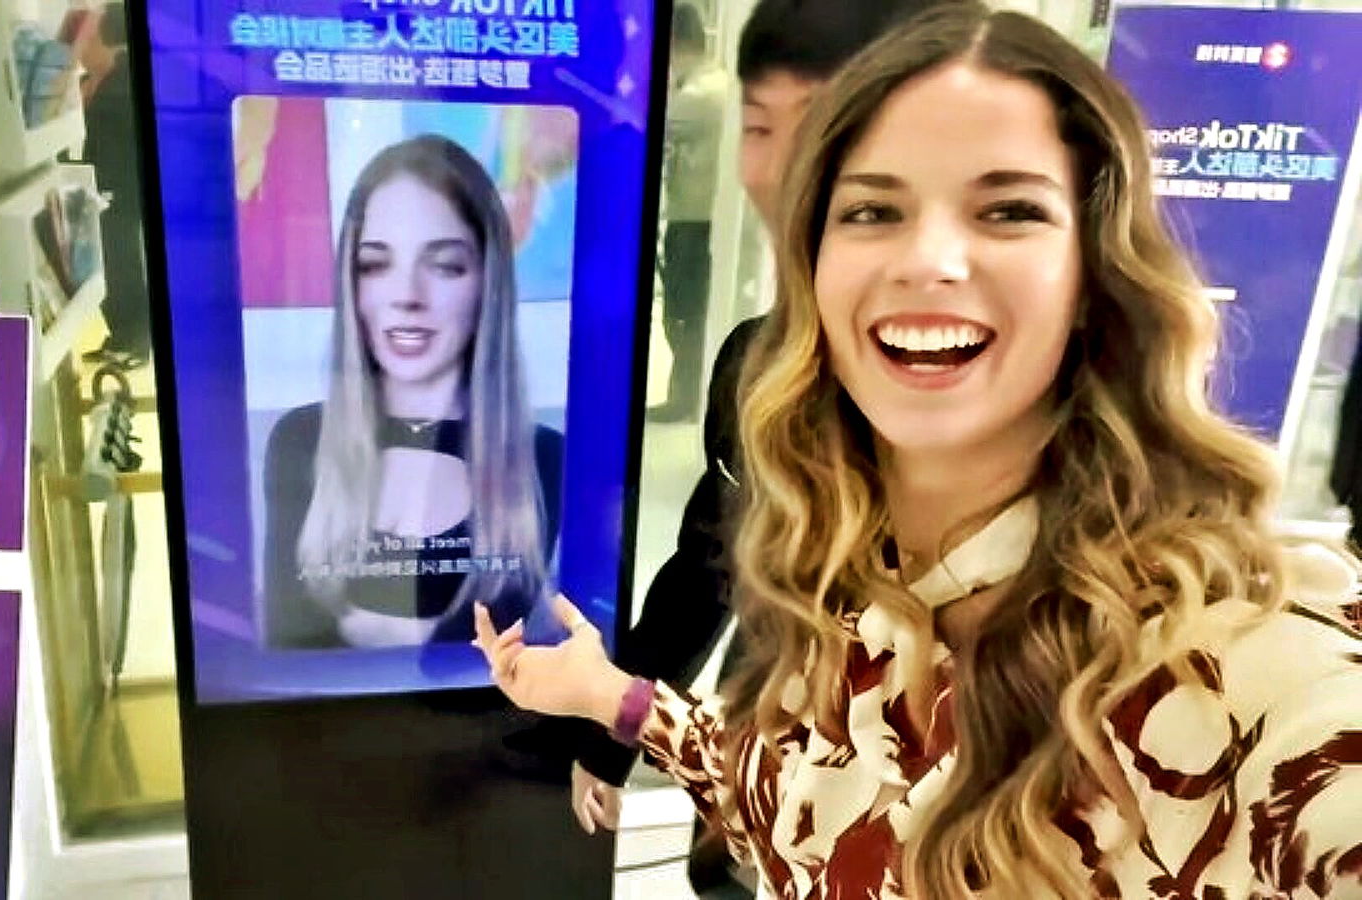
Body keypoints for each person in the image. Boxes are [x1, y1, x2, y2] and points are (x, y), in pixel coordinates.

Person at [478, 4, 1362, 897]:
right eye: (874, 209)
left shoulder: (1240, 663)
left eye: (1009, 210)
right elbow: (794, 800)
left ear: (1098, 273)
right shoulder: (856, 607)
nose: (931, 258)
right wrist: (612, 699)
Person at [567, 1, 958, 895]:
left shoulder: (1023, 406)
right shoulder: (758, 361)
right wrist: (613, 736)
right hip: (762, 758)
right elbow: (710, 560)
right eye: (764, 126)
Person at [263, 135, 564, 650]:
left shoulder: (541, 460)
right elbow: (285, 656)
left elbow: (478, 680)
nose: (406, 296)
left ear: (487, 280)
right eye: (376, 265)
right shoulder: (298, 440)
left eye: (445, 265)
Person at [648, 2, 726, 423]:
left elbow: (644, 125)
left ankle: (686, 398)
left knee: (684, 312)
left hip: (695, 223)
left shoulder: (700, 94)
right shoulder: (711, 85)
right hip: (694, 219)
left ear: (674, 43)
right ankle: (687, 395)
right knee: (685, 310)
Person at [77, 3, 152, 368]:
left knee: (124, 265)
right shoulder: (103, 79)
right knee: (113, 264)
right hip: (109, 190)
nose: (79, 48)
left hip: (121, 190)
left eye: (85, 38)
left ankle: (133, 341)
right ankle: (122, 336)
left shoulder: (123, 84)